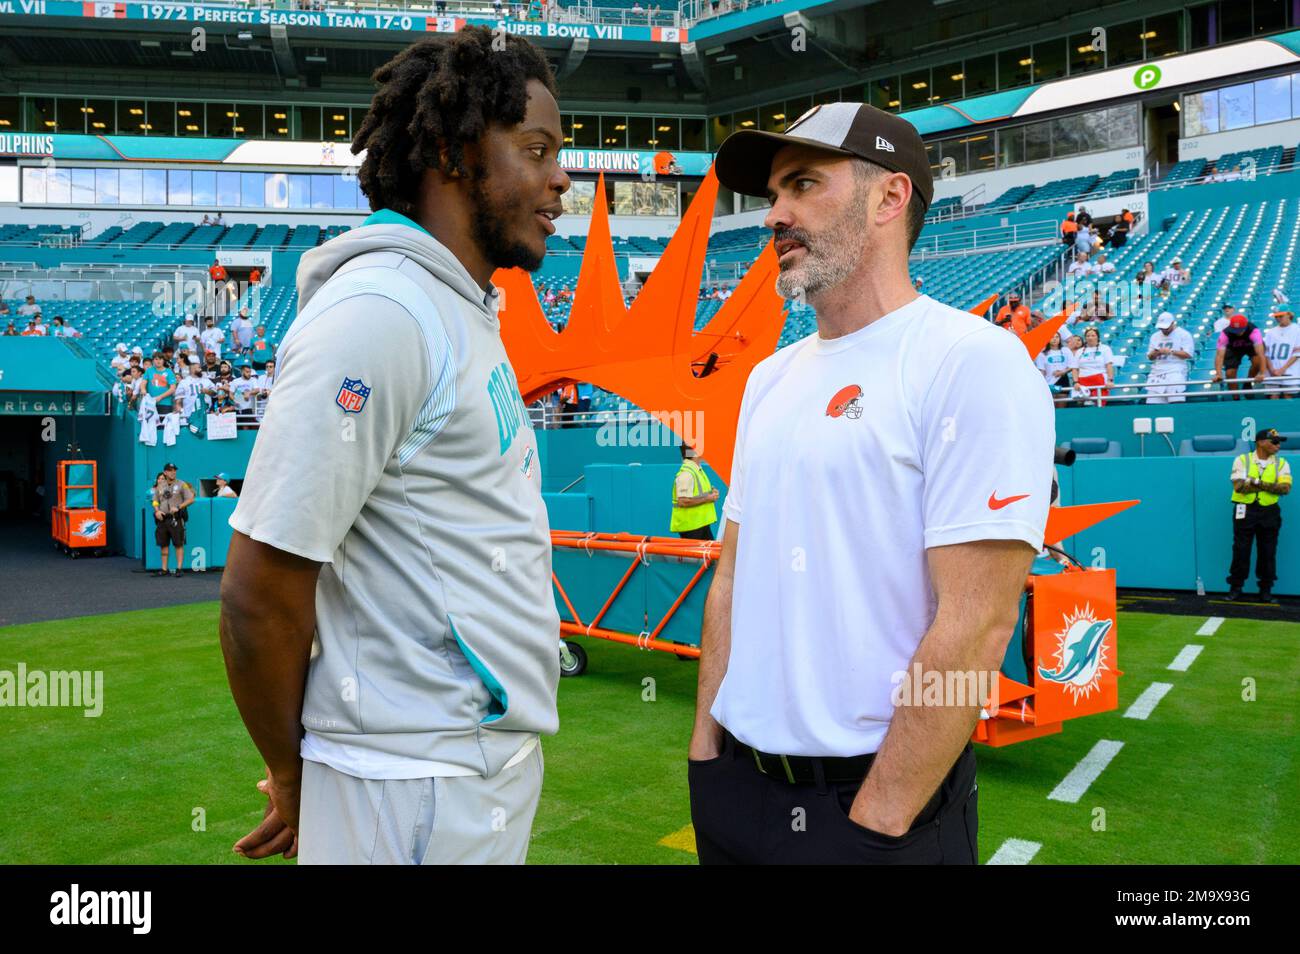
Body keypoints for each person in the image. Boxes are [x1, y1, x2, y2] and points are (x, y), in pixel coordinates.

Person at [220, 27, 567, 867]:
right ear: (452, 152)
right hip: (408, 782)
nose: (563, 178)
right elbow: (259, 591)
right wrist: (293, 772)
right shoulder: (381, 314)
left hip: (461, 770)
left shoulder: (457, 303)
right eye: (537, 150)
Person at [691, 102, 1053, 865]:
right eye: (771, 196)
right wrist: (705, 752)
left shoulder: (970, 361)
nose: (775, 216)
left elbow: (980, 624)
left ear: (889, 198)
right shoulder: (767, 380)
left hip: (880, 814)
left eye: (802, 185)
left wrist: (880, 817)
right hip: (737, 791)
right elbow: (732, 575)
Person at [1226, 429, 1291, 603]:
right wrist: (1270, 485)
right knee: (1241, 549)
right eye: (1274, 441)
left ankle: (1266, 589)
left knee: (1268, 551)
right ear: (1261, 442)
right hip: (1245, 509)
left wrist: (1254, 481)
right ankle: (1236, 587)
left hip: (1269, 511)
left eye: (1279, 442)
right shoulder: (1242, 459)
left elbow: (1285, 489)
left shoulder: (1282, 463)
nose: (1278, 445)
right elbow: (1239, 487)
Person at [152, 464, 194, 578]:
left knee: (178, 544)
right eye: (170, 471)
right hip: (163, 518)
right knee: (163, 544)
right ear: (165, 472)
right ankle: (164, 569)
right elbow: (155, 500)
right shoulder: (160, 485)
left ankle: (179, 568)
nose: (173, 472)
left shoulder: (181, 484)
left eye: (174, 470)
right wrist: (157, 511)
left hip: (176, 518)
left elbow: (191, 499)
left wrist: (179, 507)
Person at [1212, 313, 1267, 399]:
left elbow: (1261, 354)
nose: (1237, 333)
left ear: (1245, 327)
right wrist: (1218, 374)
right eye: (1234, 330)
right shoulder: (1225, 333)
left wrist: (1262, 373)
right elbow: (1219, 355)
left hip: (1251, 346)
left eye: (1239, 330)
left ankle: (1248, 383)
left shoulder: (1254, 331)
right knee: (1229, 373)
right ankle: (1236, 397)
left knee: (1257, 361)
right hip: (1233, 348)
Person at [671, 443, 720, 540]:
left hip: (699, 525)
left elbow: (699, 494)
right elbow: (683, 501)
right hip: (692, 527)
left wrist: (712, 494)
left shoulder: (696, 471)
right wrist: (708, 498)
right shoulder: (687, 474)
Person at [1145, 311, 1194, 404]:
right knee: (1153, 404)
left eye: (1166, 328)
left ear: (1173, 323)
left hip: (1175, 371)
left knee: (1176, 403)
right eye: (1161, 328)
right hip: (1157, 373)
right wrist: (1156, 353)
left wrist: (1171, 352)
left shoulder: (1183, 334)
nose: (1164, 330)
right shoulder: (1155, 336)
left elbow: (1188, 354)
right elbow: (1150, 357)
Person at [1071, 326, 1113, 405]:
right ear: (1085, 338)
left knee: (1099, 403)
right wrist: (1075, 382)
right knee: (1083, 404)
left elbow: (1109, 365)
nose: (1090, 338)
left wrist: (1110, 380)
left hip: (1099, 379)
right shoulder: (1079, 351)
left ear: (1098, 337)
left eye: (1093, 335)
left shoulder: (1105, 349)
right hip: (1083, 380)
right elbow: (1075, 369)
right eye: (1088, 336)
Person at [1264, 310, 1300, 398]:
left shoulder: (1297, 330)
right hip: (1272, 371)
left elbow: (1297, 354)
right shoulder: (1270, 332)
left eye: (1281, 316)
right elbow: (1266, 353)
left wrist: (1282, 369)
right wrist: (1272, 369)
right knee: (1273, 396)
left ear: (1289, 315)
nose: (1278, 318)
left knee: (1288, 396)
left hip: (1290, 370)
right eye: (1276, 317)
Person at [1035, 331, 1074, 398]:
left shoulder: (1065, 350)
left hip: (1062, 379)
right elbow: (1042, 370)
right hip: (1048, 381)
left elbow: (1072, 365)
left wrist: (1062, 372)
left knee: (1062, 404)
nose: (1055, 339)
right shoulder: (1042, 354)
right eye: (1052, 337)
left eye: (1057, 337)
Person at [145, 351, 177, 417]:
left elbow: (173, 388)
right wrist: (143, 391)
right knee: (150, 426)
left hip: (165, 403)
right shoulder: (149, 371)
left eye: (160, 359)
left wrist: (161, 397)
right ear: (153, 361)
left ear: (163, 360)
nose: (158, 361)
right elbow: (143, 384)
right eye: (156, 359)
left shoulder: (169, 372)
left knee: (164, 426)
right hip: (150, 403)